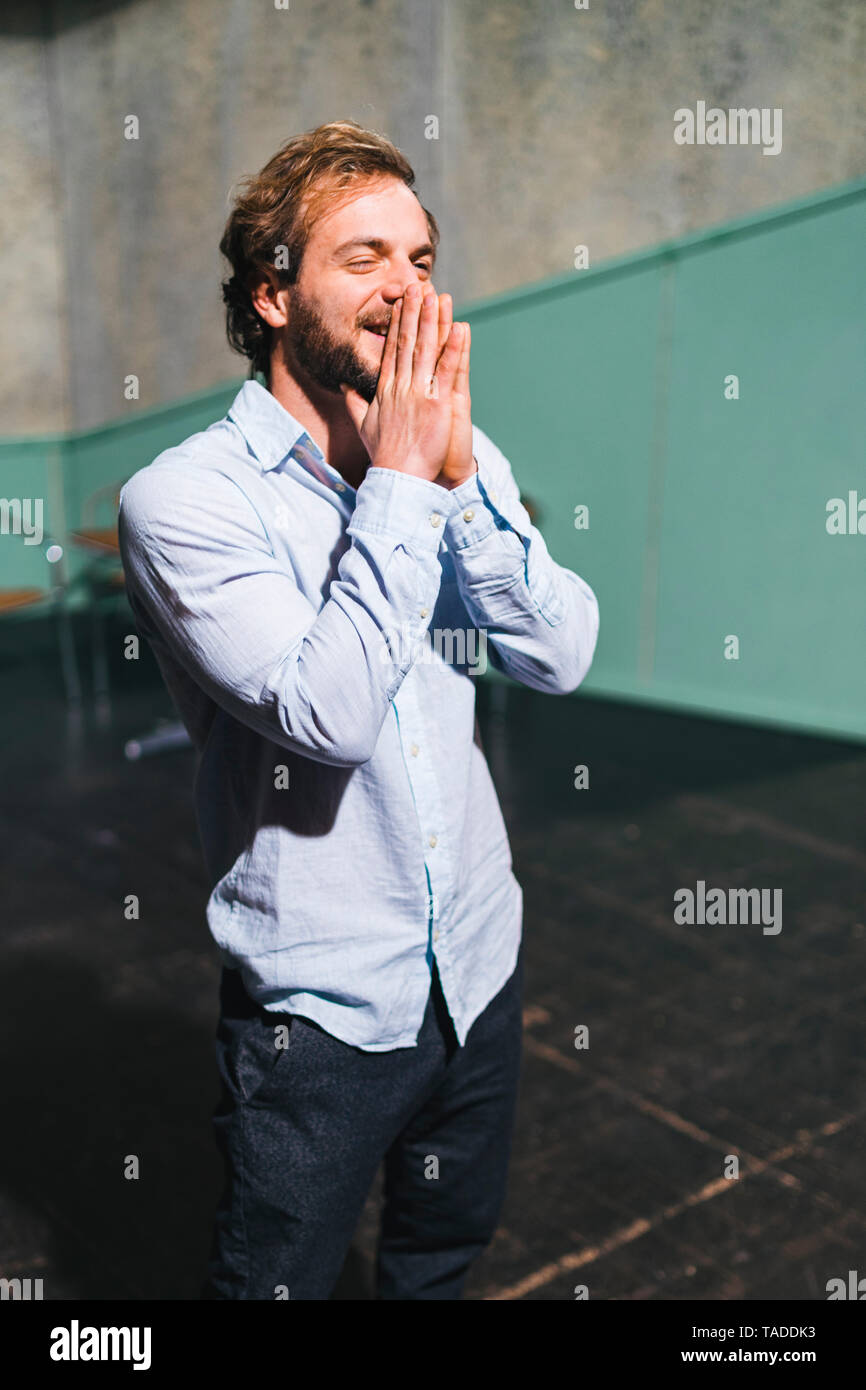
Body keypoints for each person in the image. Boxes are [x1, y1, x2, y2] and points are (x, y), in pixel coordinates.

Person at [117, 119, 599, 1300]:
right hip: (321, 1017)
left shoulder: (449, 452)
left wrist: (452, 478)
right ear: (272, 295)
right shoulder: (182, 500)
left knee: (439, 1260)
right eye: (364, 257)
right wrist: (398, 483)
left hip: (477, 964)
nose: (405, 290)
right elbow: (326, 715)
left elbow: (562, 650)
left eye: (421, 261)